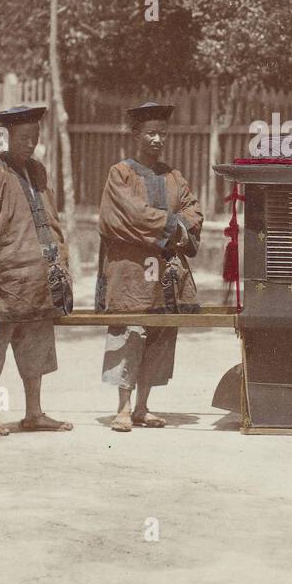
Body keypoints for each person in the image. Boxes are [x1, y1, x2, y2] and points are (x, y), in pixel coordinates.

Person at [0, 104, 75, 437]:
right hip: (2, 282)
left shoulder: (36, 172)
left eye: (34, 137)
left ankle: (34, 413)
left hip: (36, 281)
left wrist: (60, 265)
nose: (30, 143)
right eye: (23, 137)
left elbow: (51, 221)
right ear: (6, 137)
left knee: (36, 348)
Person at [97, 102, 203, 432]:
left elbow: (193, 211)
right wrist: (173, 227)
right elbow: (129, 215)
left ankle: (143, 406)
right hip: (132, 267)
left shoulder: (173, 176)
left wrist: (179, 227)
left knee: (159, 331)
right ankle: (124, 407)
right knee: (131, 330)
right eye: (151, 133)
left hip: (168, 269)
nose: (157, 139)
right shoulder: (121, 174)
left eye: (162, 134)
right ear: (136, 135)